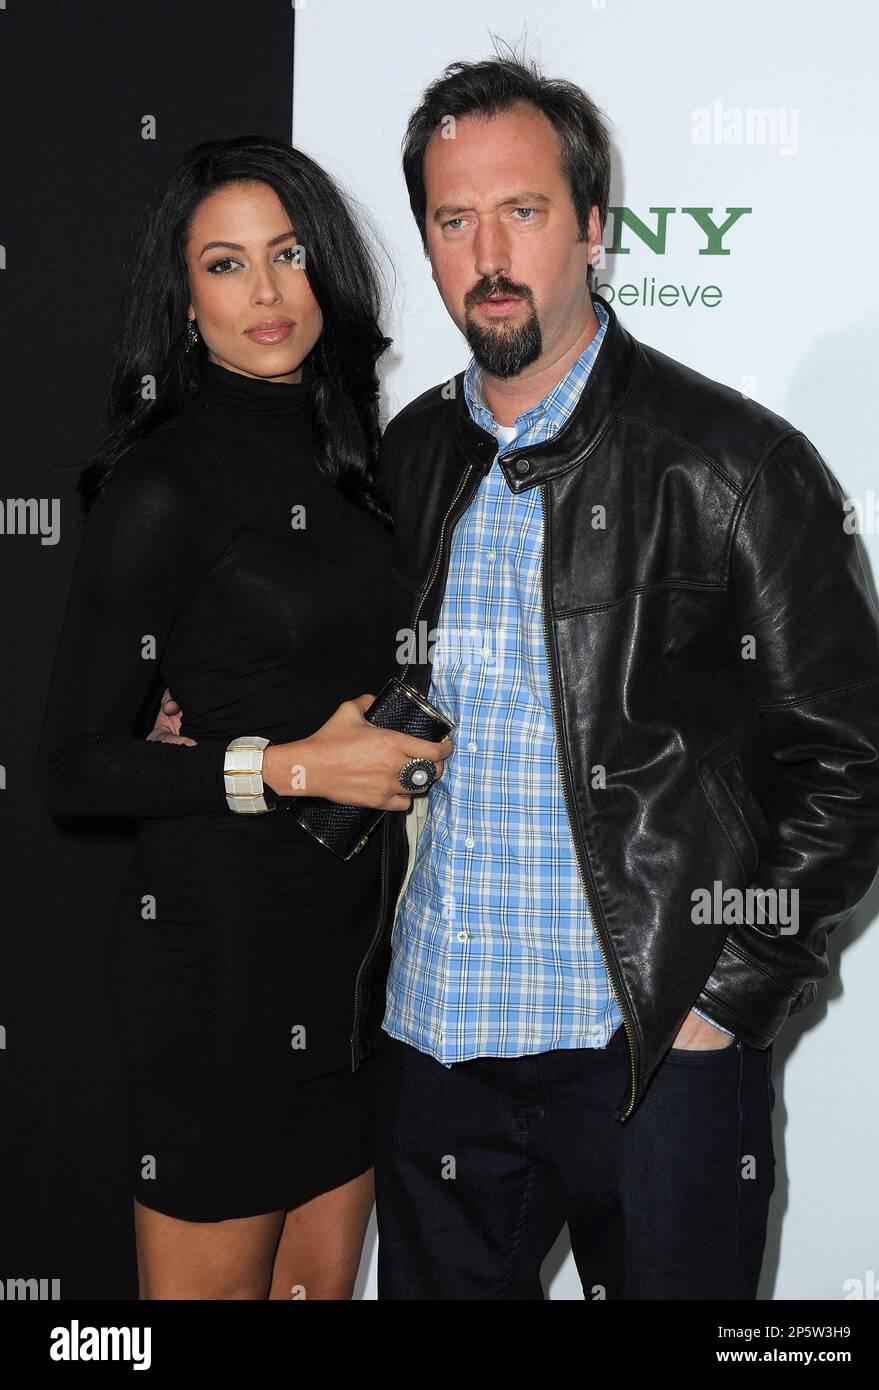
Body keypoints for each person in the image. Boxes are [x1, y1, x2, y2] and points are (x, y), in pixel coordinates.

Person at [364, 50, 879, 1298]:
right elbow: (383, 694)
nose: (488, 251)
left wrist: (727, 996)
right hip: (438, 1039)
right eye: (454, 219)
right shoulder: (410, 456)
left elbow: (857, 755)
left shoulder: (730, 463)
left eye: (525, 210)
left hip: (649, 1048)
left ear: (596, 230)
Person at [37, 134, 451, 1301]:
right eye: (225, 265)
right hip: (214, 979)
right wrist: (284, 768)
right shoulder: (162, 484)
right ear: (182, 298)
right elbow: (73, 765)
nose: (265, 294)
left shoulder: (368, 459)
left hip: (355, 975)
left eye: (287, 255)